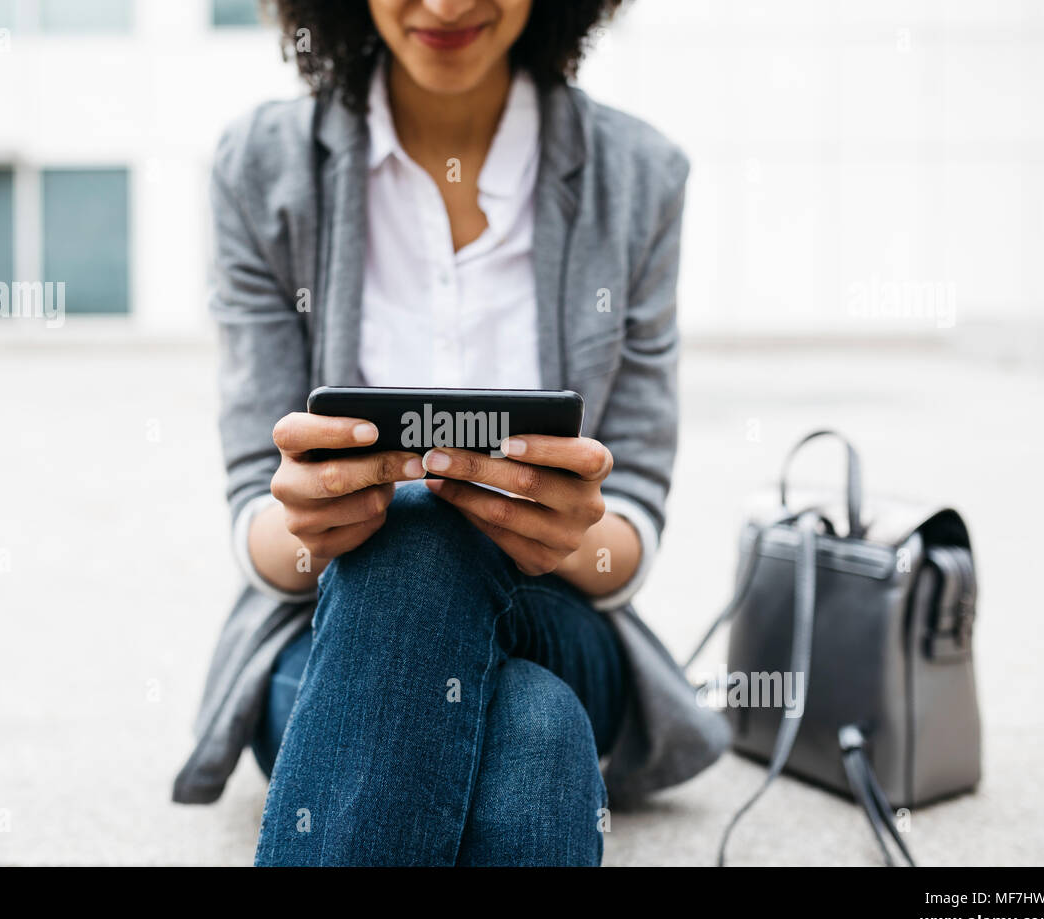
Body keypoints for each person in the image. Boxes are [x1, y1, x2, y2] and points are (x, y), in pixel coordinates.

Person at [172, 0, 729, 866]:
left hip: (558, 614)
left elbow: (635, 517)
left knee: (421, 531)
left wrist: (565, 533)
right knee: (533, 731)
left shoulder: (641, 176)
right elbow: (257, 505)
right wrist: (311, 522)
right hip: (321, 626)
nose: (445, 4)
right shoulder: (260, 169)